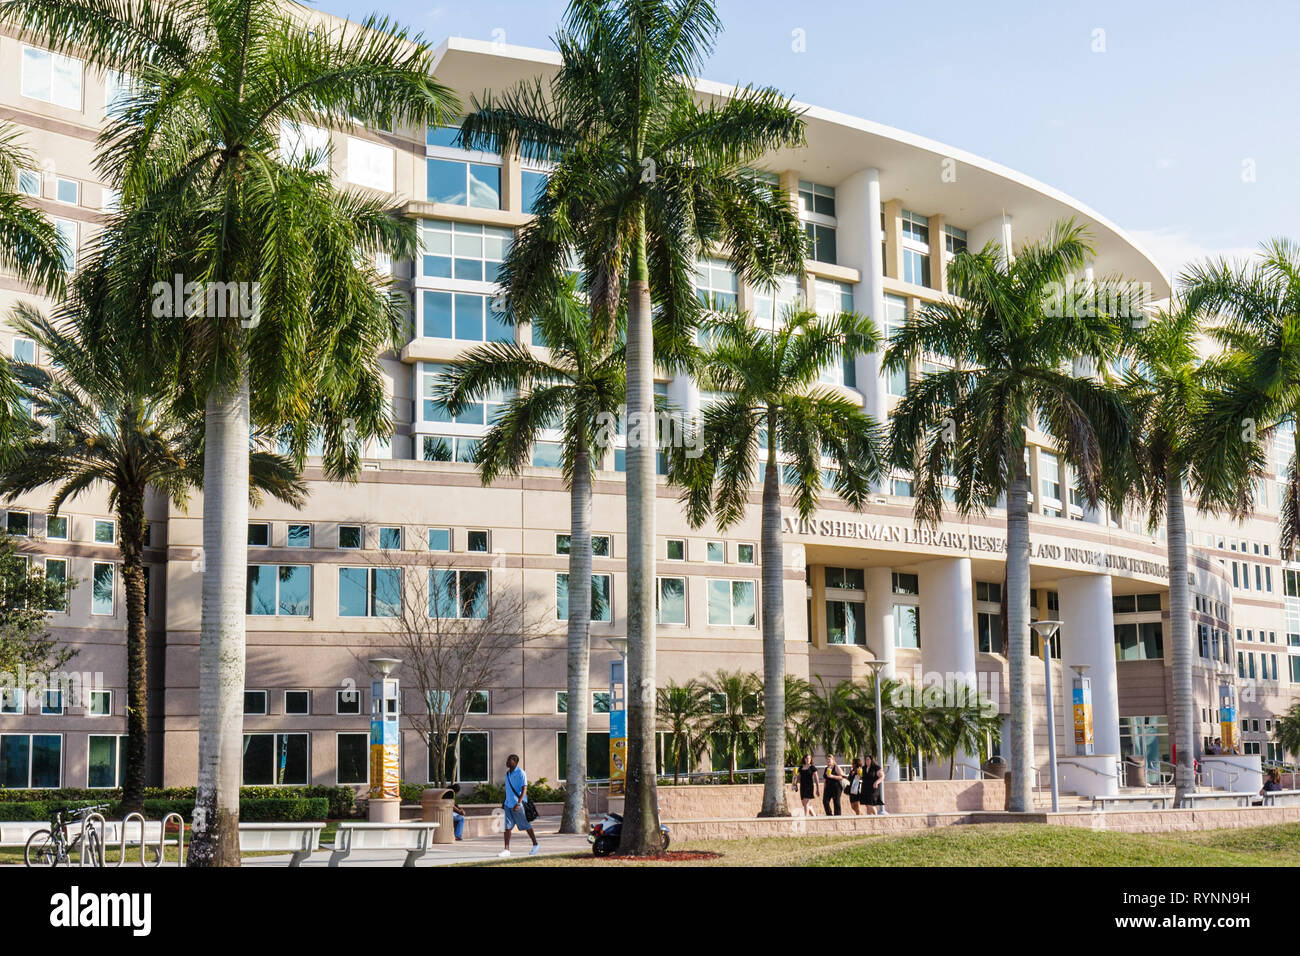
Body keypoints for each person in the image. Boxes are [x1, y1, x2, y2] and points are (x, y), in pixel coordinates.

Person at [498, 753, 540, 857]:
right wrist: (504, 802)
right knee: (507, 827)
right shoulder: (507, 774)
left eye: (509, 760)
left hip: (517, 805)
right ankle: (506, 849)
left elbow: (524, 789)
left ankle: (535, 844)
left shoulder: (521, 773)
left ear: (515, 762)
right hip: (508, 804)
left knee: (525, 825)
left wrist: (519, 803)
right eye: (507, 760)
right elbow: (507, 790)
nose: (507, 762)